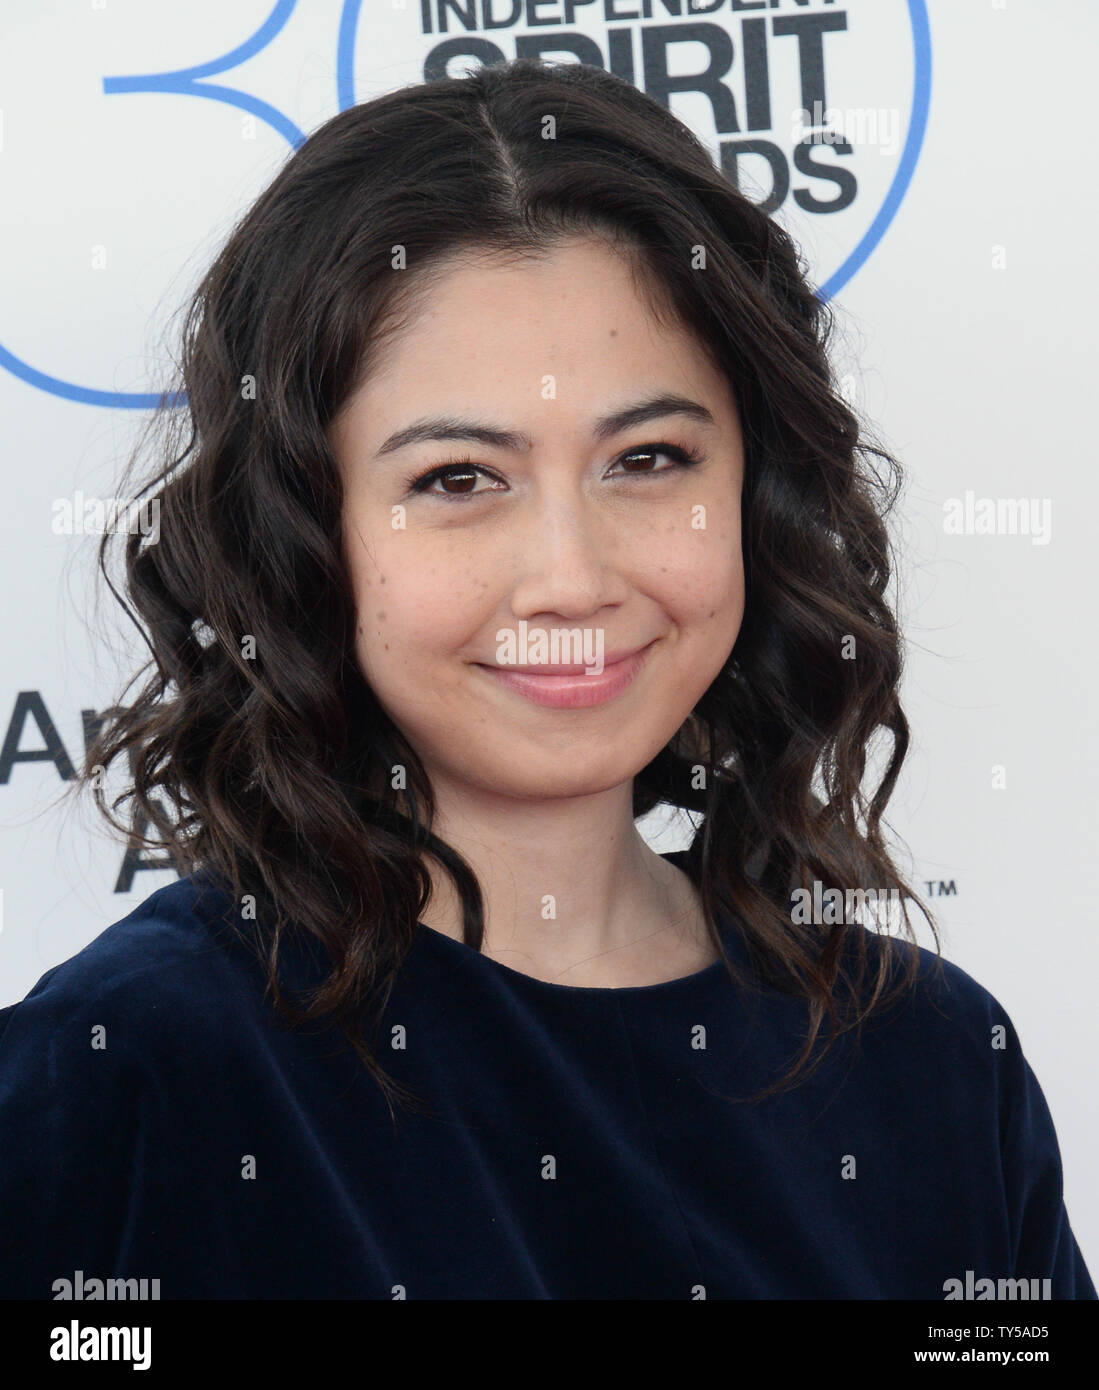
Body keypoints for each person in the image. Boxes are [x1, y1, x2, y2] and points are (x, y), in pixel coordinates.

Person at [0, 58, 1092, 1301]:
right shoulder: (121, 1076)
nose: (571, 579)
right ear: (307, 532)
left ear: (756, 488)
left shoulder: (934, 1064)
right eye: (458, 478)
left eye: (647, 458)